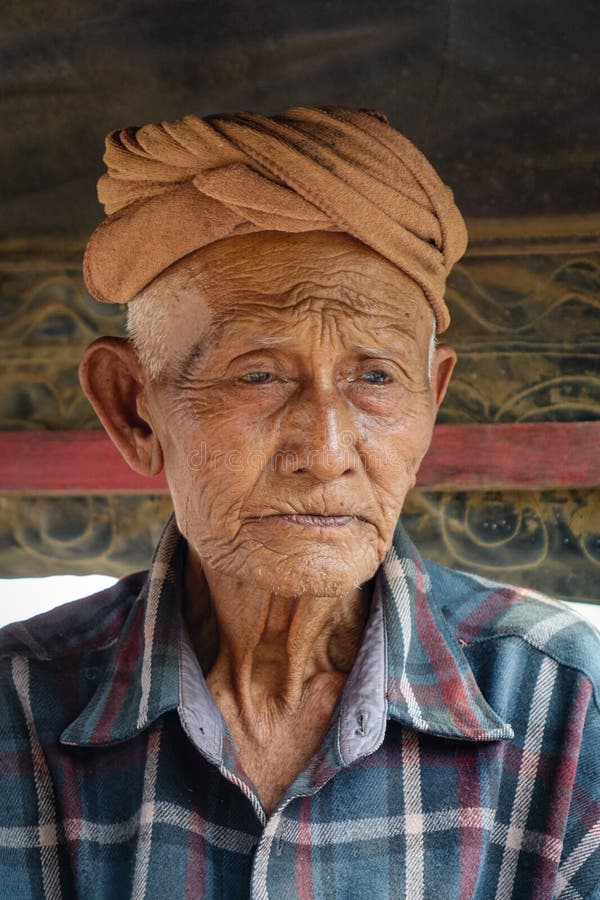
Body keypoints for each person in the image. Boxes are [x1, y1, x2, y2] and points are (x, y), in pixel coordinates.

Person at [1, 108, 598, 899]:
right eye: (258, 375)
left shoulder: (568, 701)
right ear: (134, 410)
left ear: (433, 400)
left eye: (376, 378)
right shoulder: (17, 710)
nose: (324, 450)